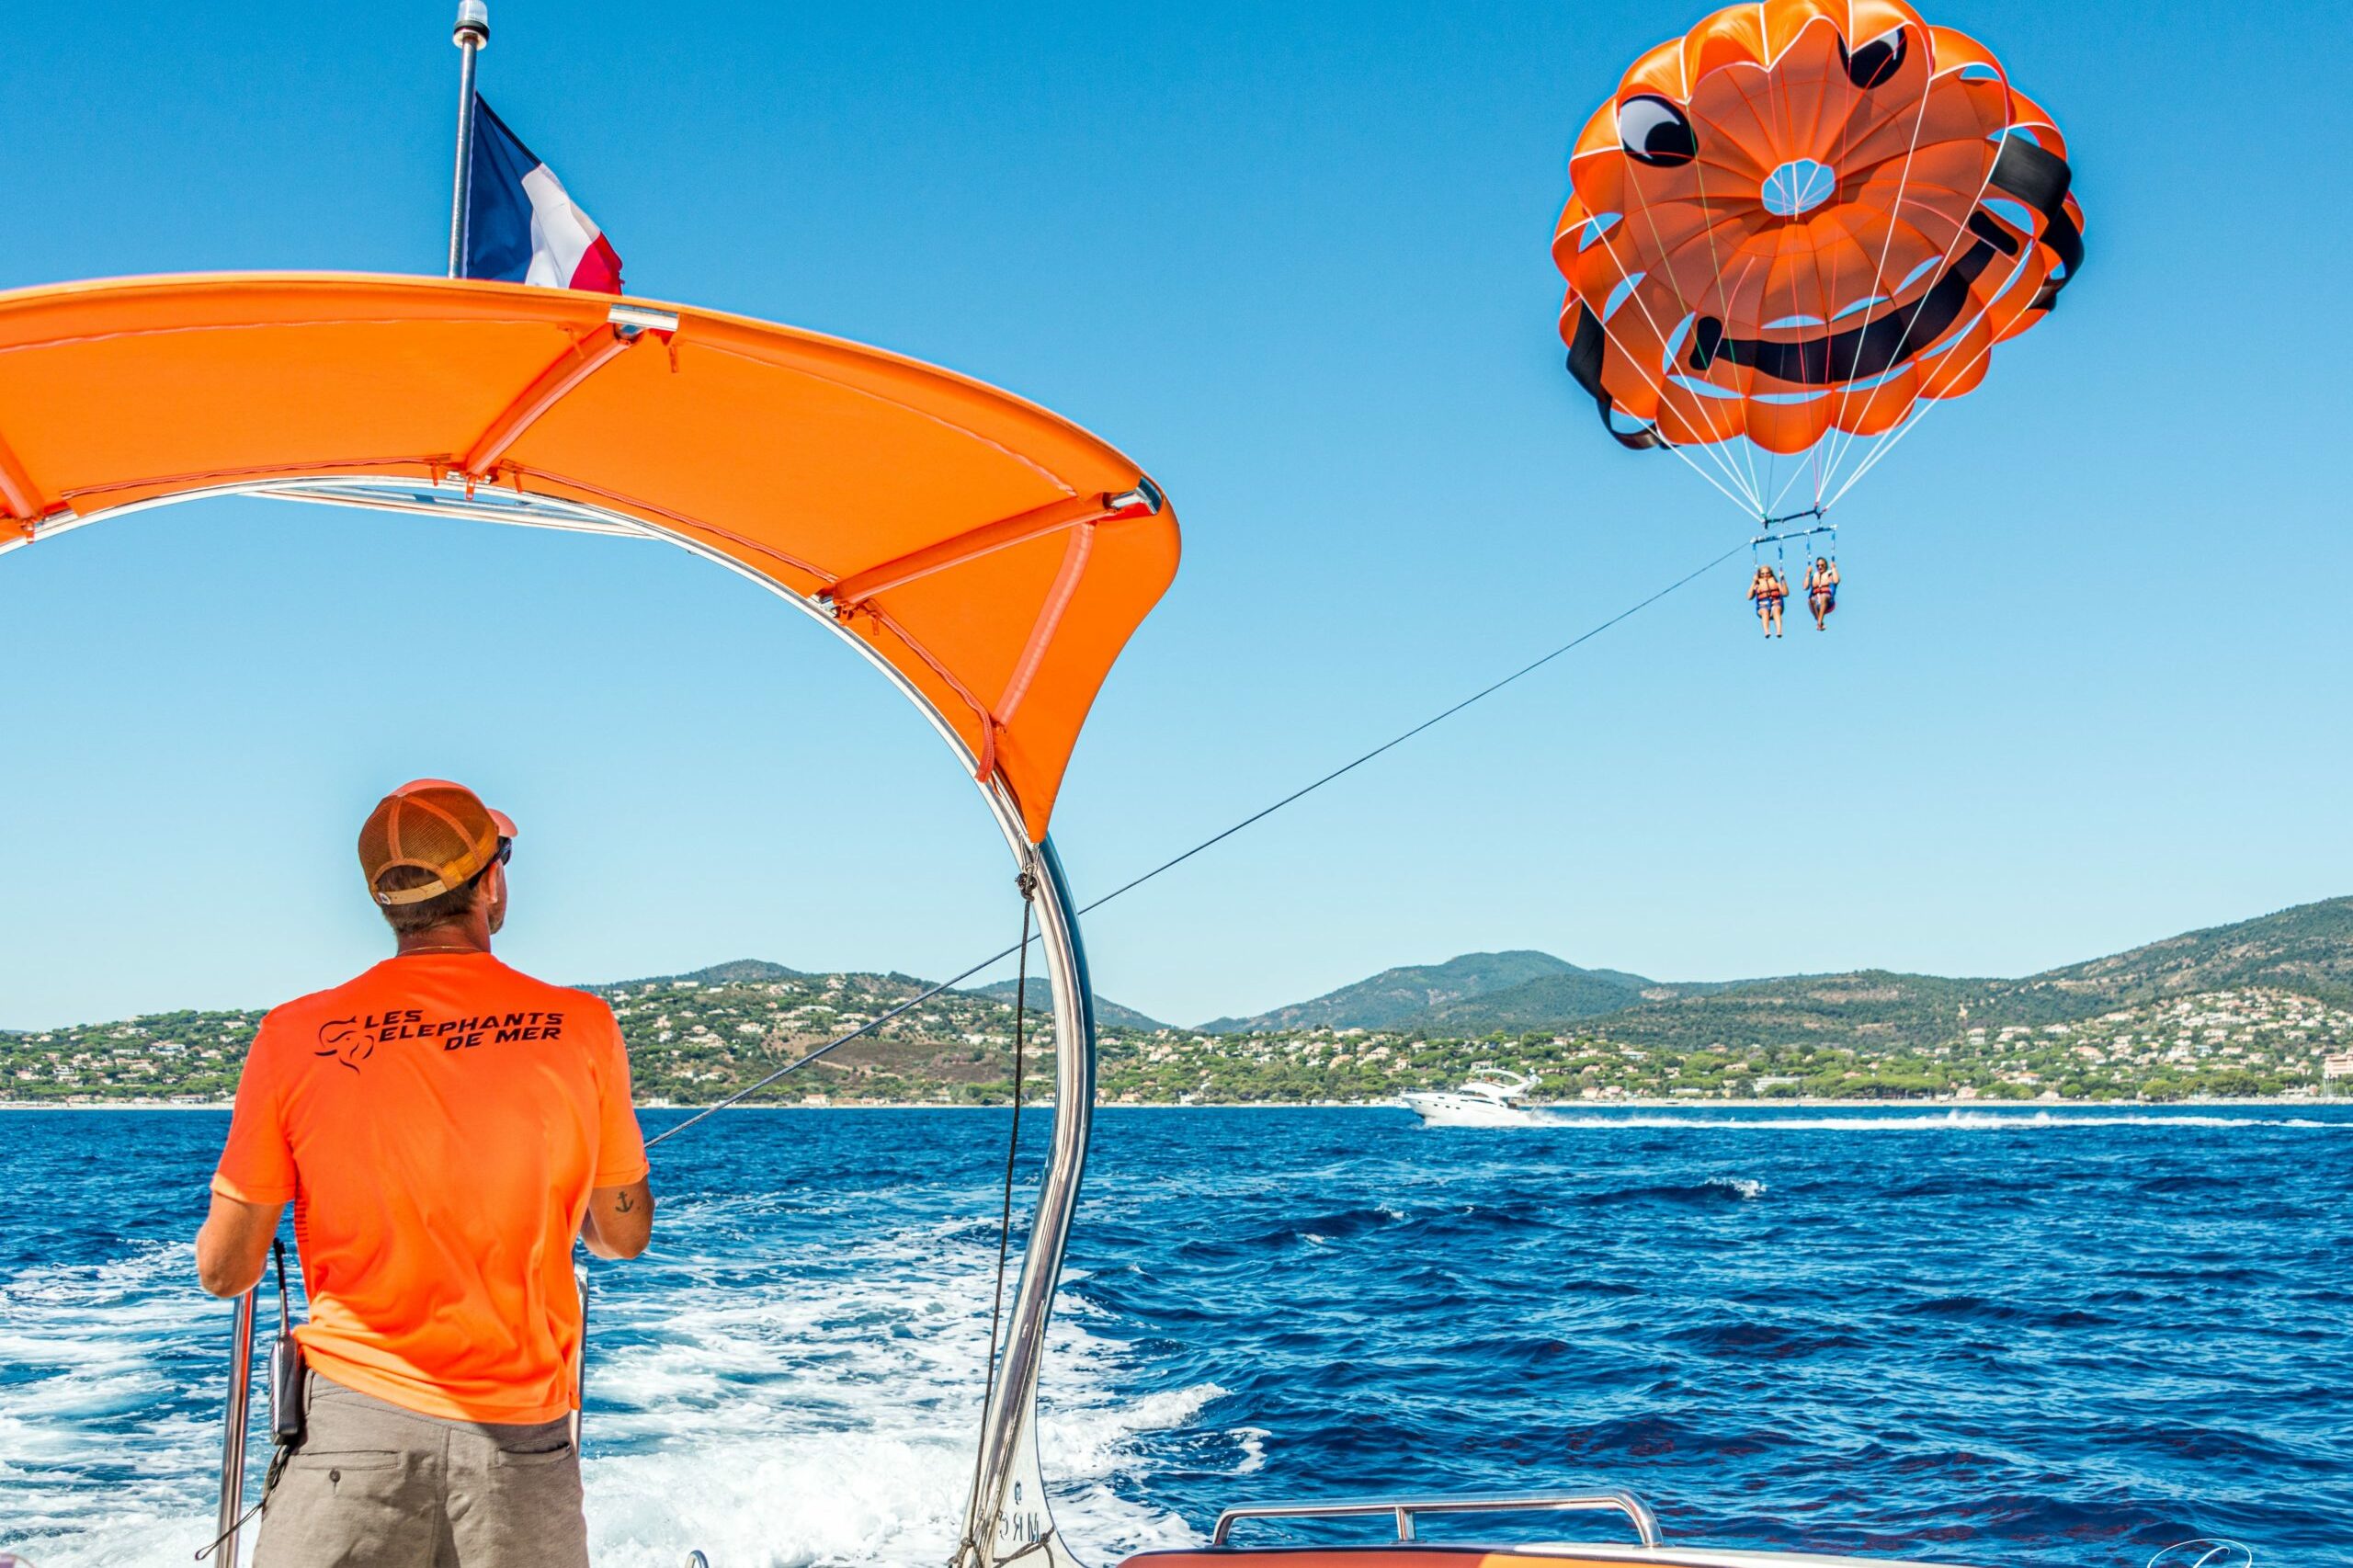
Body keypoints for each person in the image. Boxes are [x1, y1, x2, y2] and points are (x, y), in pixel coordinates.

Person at [196, 778, 653, 1568]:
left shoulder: (291, 1034)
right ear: (491, 882)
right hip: (519, 1445)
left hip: (350, 1442)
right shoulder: (583, 1026)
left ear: (386, 900)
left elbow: (225, 1270)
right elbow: (623, 1235)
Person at [1748, 563, 1787, 638]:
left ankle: (1779, 631)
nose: (1765, 575)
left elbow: (1785, 593)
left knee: (1776, 610)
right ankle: (1766, 631)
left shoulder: (1776, 583)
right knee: (1764, 611)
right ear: (1759, 575)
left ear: (1771, 573)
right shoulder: (1757, 585)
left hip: (1776, 603)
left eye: (1767, 573)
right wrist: (1754, 582)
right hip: (1762, 606)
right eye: (1762, 574)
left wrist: (1782, 579)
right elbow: (1749, 597)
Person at [1805, 555, 1840, 631]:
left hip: (1829, 602)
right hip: (1817, 603)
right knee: (1810, 600)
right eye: (1818, 566)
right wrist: (1807, 574)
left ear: (1826, 565)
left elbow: (1836, 581)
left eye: (1822, 565)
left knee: (1824, 596)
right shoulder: (1814, 576)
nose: (1820, 567)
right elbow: (1805, 587)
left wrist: (1834, 568)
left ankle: (1819, 623)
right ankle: (1820, 622)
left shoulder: (1830, 574)